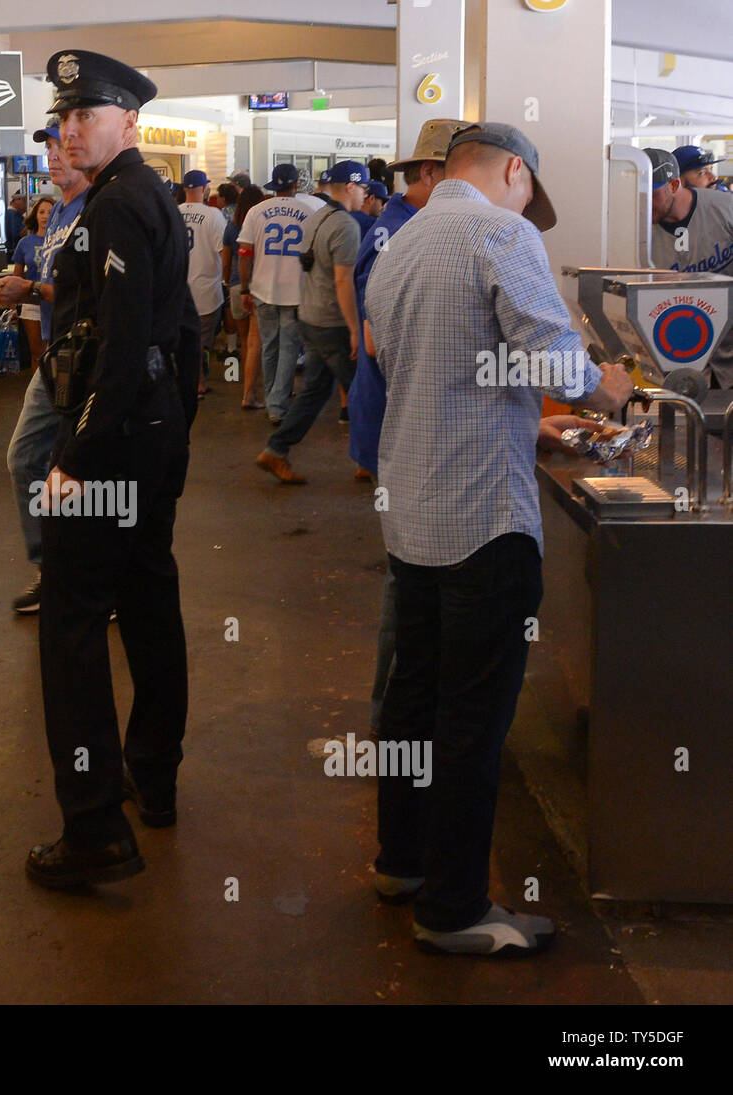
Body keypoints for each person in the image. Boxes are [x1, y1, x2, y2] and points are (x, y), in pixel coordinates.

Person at [364, 121, 634, 954]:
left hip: (412, 511)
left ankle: (401, 861)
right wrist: (609, 389)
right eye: (530, 192)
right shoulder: (500, 231)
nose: (528, 207)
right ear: (514, 171)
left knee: (413, 701)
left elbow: (427, 370)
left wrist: (527, 428)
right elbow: (557, 365)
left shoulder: (399, 246)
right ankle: (452, 909)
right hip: (483, 521)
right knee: (473, 721)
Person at [26, 49, 200, 889]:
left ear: (129, 123)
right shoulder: (144, 196)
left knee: (71, 624)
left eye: (85, 116)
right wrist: (176, 431)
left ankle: (93, 822)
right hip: (150, 427)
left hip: (115, 432)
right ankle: (153, 773)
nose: (70, 130)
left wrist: (75, 458)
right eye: (64, 118)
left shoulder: (118, 205)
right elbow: (185, 333)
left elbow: (122, 349)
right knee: (147, 595)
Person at [347, 118, 471, 745]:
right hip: (407, 430)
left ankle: (403, 723)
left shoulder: (410, 228)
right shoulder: (398, 234)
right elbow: (375, 336)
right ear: (430, 175)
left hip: (411, 426)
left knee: (416, 584)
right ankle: (390, 727)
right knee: (410, 587)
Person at [0, 123, 90, 614]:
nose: (53, 157)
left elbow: (90, 293)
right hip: (58, 352)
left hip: (90, 357)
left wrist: (29, 291)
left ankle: (98, 579)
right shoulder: (59, 214)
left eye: (60, 147)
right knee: (28, 458)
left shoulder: (97, 210)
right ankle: (51, 568)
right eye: (49, 149)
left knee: (83, 468)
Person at [255, 160, 366, 484]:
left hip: (310, 316)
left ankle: (276, 450)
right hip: (333, 323)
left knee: (315, 390)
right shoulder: (345, 225)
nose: (364, 195)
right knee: (363, 392)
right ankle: (370, 461)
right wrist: (355, 328)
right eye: (362, 188)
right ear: (350, 187)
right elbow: (343, 281)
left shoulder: (318, 217)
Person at [237, 163, 324, 424]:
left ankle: (272, 398)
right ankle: (277, 405)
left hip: (262, 288)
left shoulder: (256, 211)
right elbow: (315, 256)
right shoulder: (310, 211)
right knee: (288, 347)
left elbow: (244, 254)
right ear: (296, 184)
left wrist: (244, 287)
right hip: (295, 291)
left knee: (269, 345)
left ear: (274, 185)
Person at [647, 146, 733, 388]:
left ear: (674, 186)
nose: (643, 203)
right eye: (637, 194)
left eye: (652, 194)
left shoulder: (725, 209)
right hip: (682, 359)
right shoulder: (637, 232)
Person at [179, 169, 227, 398]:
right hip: (207, 289)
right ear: (204, 189)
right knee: (201, 342)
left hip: (178, 289)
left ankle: (182, 380)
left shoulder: (172, 212)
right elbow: (223, 250)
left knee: (180, 339)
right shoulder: (214, 215)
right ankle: (198, 383)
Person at [222, 184, 266, 409]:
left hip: (236, 287)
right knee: (257, 342)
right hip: (255, 287)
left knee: (244, 340)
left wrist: (227, 283)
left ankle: (242, 386)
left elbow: (227, 260)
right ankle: (252, 392)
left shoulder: (231, 227)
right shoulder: (261, 224)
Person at [11, 195, 56, 367]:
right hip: (32, 303)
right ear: (35, 215)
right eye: (41, 212)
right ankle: (38, 392)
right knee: (37, 352)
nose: (45, 216)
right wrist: (13, 306)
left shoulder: (62, 241)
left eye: (50, 212)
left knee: (54, 350)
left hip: (55, 301)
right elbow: (17, 277)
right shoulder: (25, 243)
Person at [4, 190, 27, 262]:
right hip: (12, 254)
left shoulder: (16, 215)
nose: (27, 204)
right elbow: (19, 234)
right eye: (25, 201)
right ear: (17, 199)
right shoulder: (12, 215)